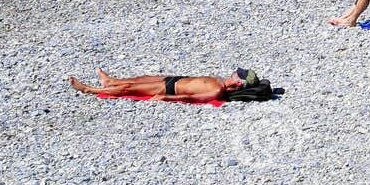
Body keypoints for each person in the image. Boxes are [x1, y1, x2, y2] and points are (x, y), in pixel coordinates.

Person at [69, 68, 269, 103]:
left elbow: (192, 97)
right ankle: (109, 81)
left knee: (129, 90)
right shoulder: (218, 81)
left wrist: (166, 97)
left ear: (238, 82)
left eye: (237, 75)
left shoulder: (217, 90)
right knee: (139, 79)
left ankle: (88, 89)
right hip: (173, 80)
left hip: (170, 89)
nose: (234, 74)